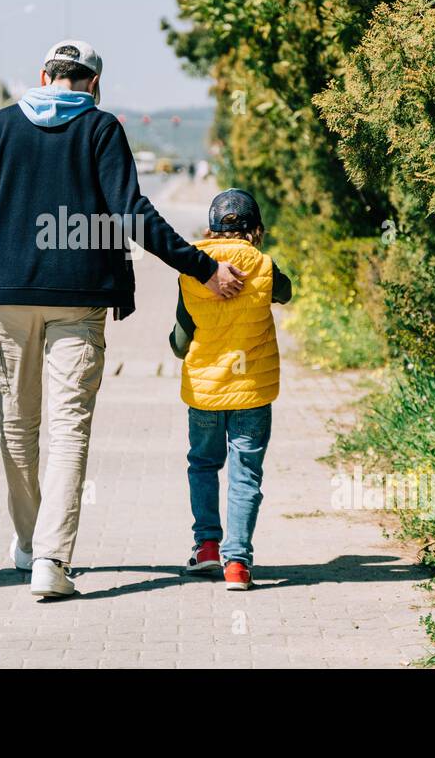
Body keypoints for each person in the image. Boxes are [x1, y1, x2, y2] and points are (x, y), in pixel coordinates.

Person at [0, 40, 246, 599]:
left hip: (10, 297)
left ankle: (29, 545)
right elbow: (132, 213)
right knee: (68, 428)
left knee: (18, 429)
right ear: (94, 85)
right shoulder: (101, 128)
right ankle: (49, 559)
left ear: (43, 75)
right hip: (80, 298)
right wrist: (200, 267)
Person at [168, 188, 291, 590]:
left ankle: (206, 547)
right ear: (257, 232)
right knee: (246, 473)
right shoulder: (265, 267)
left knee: (203, 464)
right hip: (252, 390)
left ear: (211, 229)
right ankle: (237, 565)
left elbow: (180, 342)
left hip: (205, 391)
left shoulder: (193, 270)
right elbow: (286, 292)